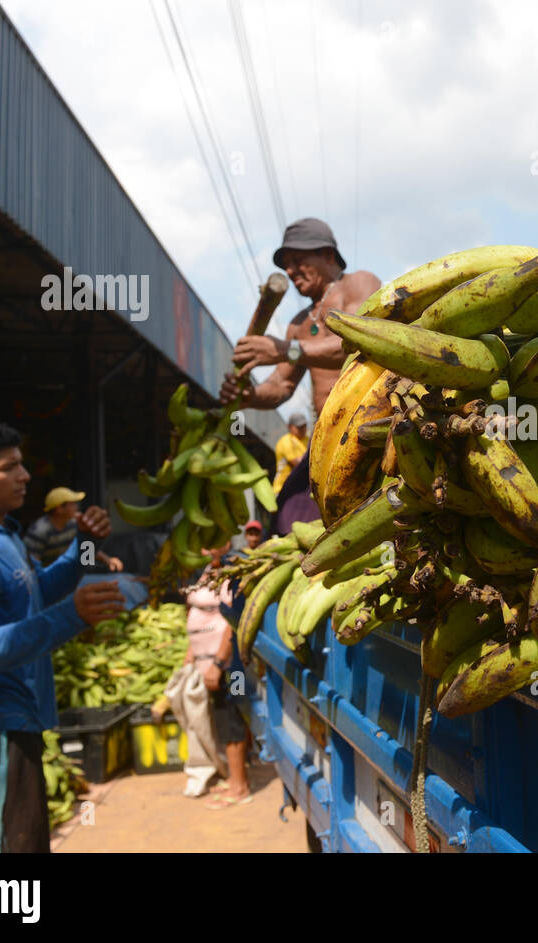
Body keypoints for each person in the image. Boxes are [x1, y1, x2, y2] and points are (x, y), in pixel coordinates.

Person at [0, 419, 126, 853]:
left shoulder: (2, 533)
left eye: (22, 465)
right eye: (8, 468)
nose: (25, 476)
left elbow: (36, 594)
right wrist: (69, 619)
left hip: (16, 725)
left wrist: (83, 548)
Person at [219, 218, 380, 535]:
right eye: (286, 265)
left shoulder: (359, 284)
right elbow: (280, 386)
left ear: (328, 255)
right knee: (287, 519)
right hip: (324, 438)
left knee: (361, 519)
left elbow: (362, 338)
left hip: (370, 427)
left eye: (298, 261)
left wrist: (287, 349)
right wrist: (249, 396)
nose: (291, 271)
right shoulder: (298, 324)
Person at [181, 548, 252, 808]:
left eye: (212, 542)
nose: (204, 548)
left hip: (228, 666)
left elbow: (233, 622)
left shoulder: (231, 572)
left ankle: (240, 787)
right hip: (209, 663)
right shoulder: (207, 571)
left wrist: (218, 663)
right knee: (224, 719)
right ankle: (235, 778)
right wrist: (192, 652)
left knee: (232, 719)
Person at [24, 487, 124, 572]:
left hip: (66, 574)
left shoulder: (73, 524)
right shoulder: (40, 531)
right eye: (72, 504)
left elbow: (85, 551)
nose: (76, 507)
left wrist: (108, 560)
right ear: (60, 509)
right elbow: (31, 564)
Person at [272, 414, 309, 494]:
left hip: (300, 490)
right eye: (299, 427)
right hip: (283, 489)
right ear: (290, 427)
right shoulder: (286, 441)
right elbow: (297, 464)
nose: (302, 429)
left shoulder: (308, 440)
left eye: (304, 426)